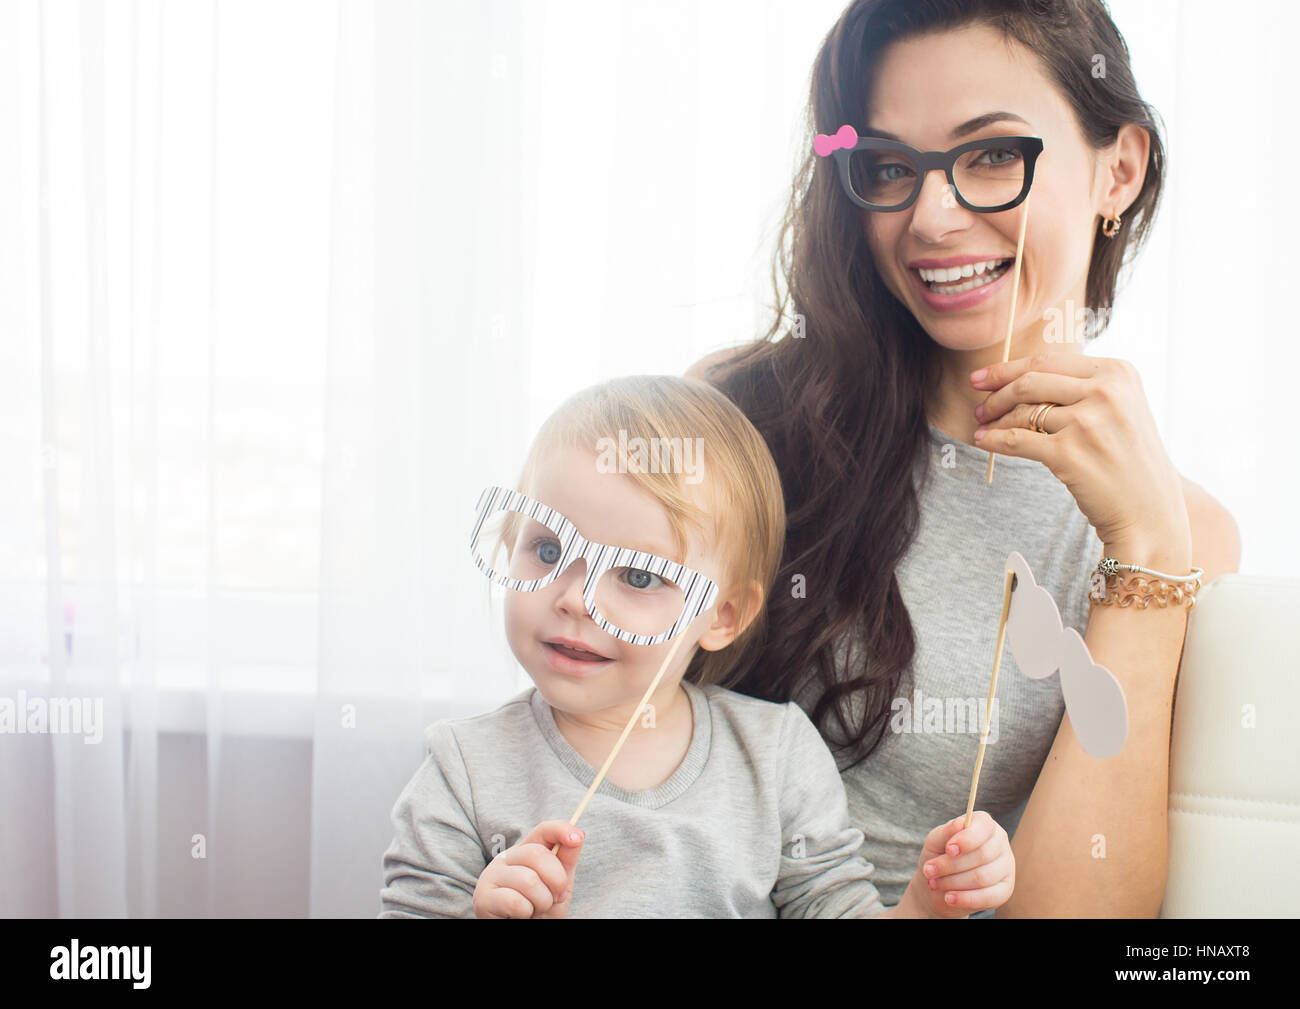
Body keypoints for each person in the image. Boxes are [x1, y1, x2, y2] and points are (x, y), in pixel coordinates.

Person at [688, 0, 1240, 917]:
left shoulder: (1180, 535)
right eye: (890, 167)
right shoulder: (741, 414)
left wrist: (1143, 549)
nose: (930, 219)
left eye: (990, 155)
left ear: (1119, 170)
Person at [378, 375, 1015, 917]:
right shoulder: (464, 772)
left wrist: (927, 906)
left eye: (637, 576)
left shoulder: (775, 758)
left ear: (723, 615)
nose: (575, 599)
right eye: (547, 549)